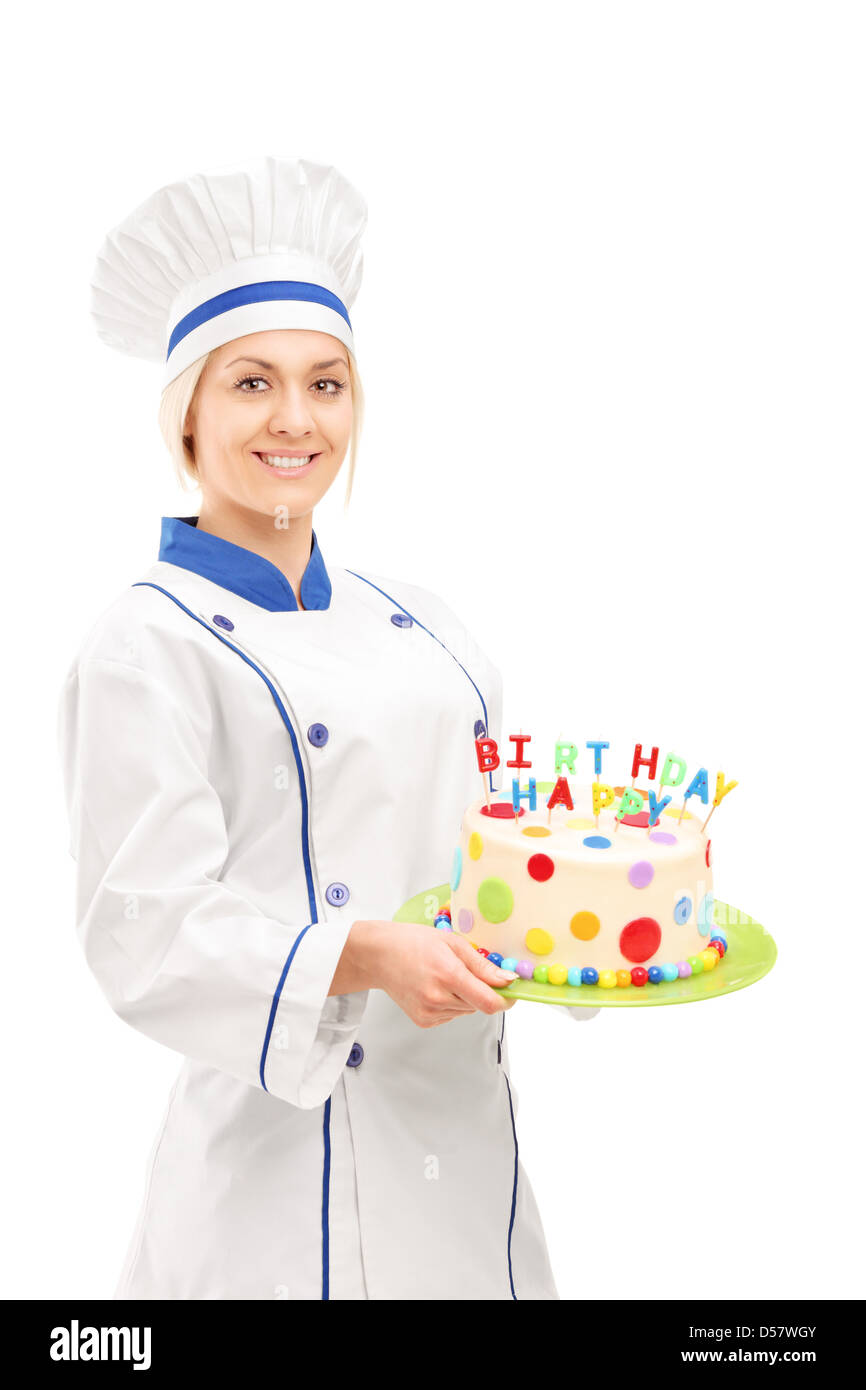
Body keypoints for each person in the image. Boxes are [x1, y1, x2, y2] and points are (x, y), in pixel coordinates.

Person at [58, 155, 595, 1301]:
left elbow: (491, 847)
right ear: (187, 414)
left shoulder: (426, 625)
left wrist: (568, 930)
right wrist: (360, 954)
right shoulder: (147, 643)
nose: (296, 421)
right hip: (280, 1173)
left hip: (467, 1149)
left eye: (327, 383)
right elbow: (142, 933)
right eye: (251, 384)